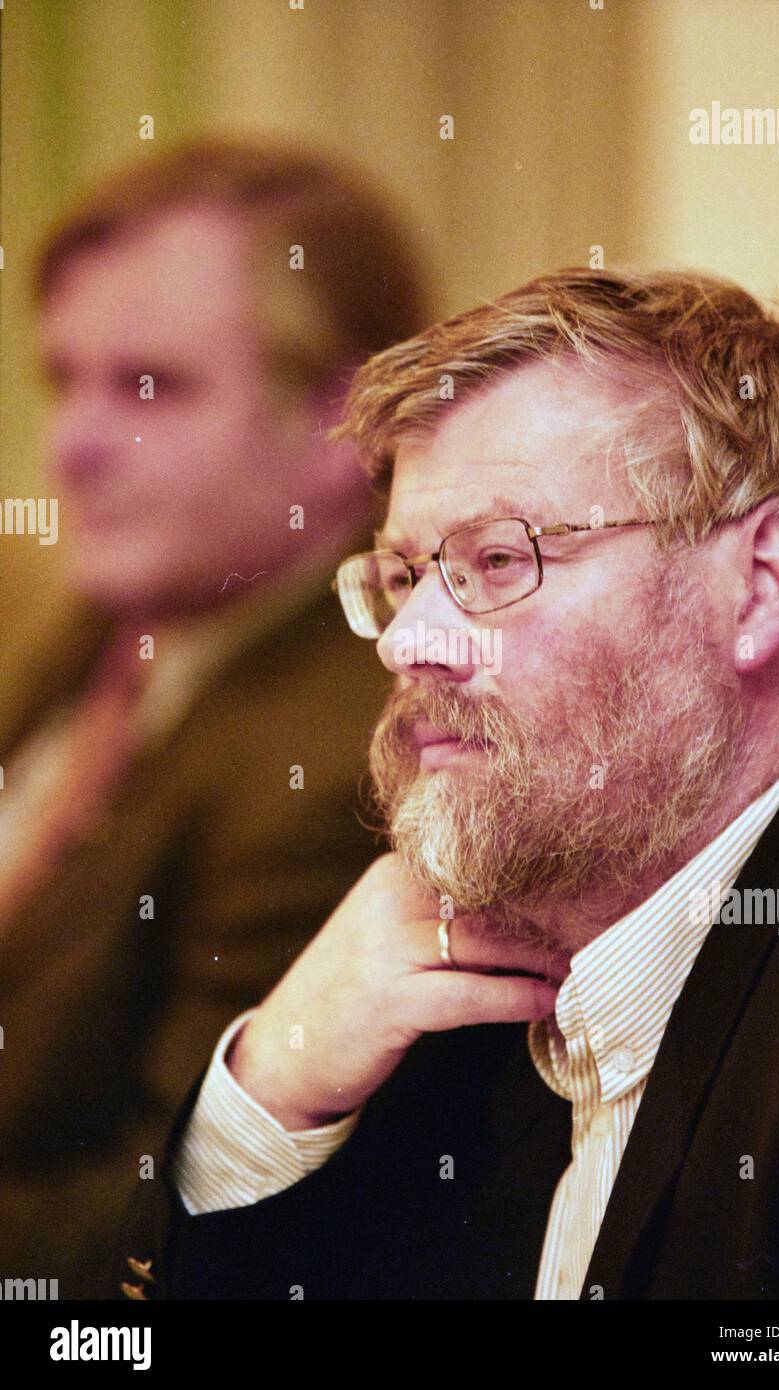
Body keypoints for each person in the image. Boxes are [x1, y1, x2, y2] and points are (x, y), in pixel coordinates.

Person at [114, 267, 779, 1301]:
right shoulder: (438, 994)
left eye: (496, 560)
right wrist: (267, 1100)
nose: (407, 641)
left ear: (756, 587)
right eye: (404, 576)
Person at [0, 137, 424, 1298]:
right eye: (63, 379)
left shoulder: (353, 757)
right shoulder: (110, 623)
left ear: (339, 420)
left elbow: (162, 1217)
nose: (72, 444)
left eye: (149, 386)